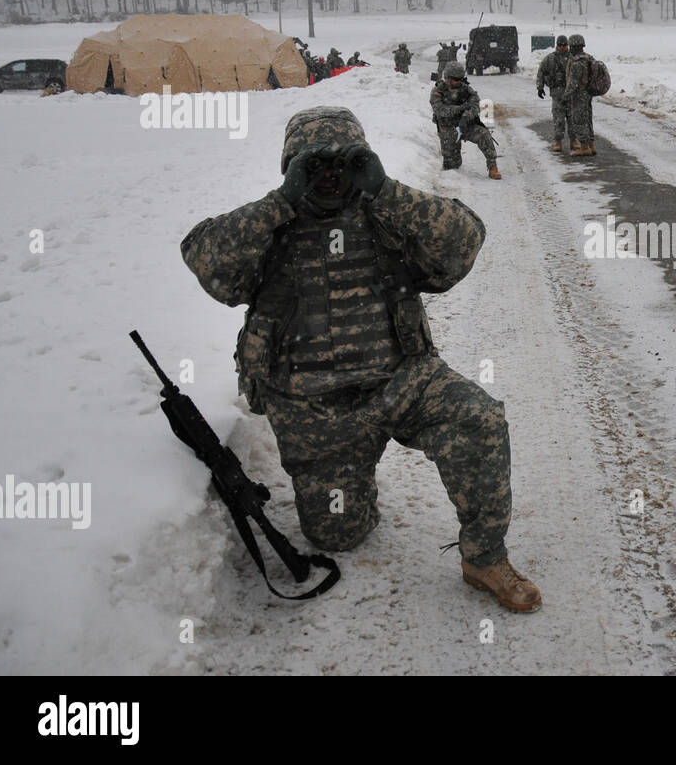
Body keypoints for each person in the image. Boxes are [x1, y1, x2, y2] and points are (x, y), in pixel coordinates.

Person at [179, 106, 540, 612]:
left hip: (400, 381)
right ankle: (353, 480)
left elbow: (465, 239)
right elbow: (205, 257)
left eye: (342, 164)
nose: (330, 176)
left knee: (477, 418)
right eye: (313, 166)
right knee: (338, 534)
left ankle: (484, 557)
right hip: (313, 410)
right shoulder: (270, 228)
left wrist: (387, 188)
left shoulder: (385, 216)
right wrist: (281, 200)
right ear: (290, 166)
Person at [430, 61, 501, 180]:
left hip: (466, 124)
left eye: (460, 79)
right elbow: (440, 110)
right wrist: (460, 109)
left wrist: (466, 116)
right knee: (452, 166)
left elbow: (475, 104)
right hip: (448, 128)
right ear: (447, 78)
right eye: (455, 80)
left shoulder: (466, 89)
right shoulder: (438, 90)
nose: (458, 82)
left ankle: (493, 166)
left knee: (484, 134)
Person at [536, 35, 572, 152]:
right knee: (558, 119)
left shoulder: (573, 58)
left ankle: (574, 141)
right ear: (557, 45)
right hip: (557, 94)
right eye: (560, 45)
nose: (562, 47)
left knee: (573, 119)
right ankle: (558, 142)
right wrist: (540, 87)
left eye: (564, 45)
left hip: (571, 94)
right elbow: (541, 72)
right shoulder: (550, 59)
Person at [562, 34, 596, 157]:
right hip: (588, 93)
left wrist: (565, 96)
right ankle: (591, 145)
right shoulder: (589, 58)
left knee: (579, 120)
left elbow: (573, 83)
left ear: (574, 46)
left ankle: (584, 147)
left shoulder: (576, 62)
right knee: (588, 119)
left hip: (579, 95)